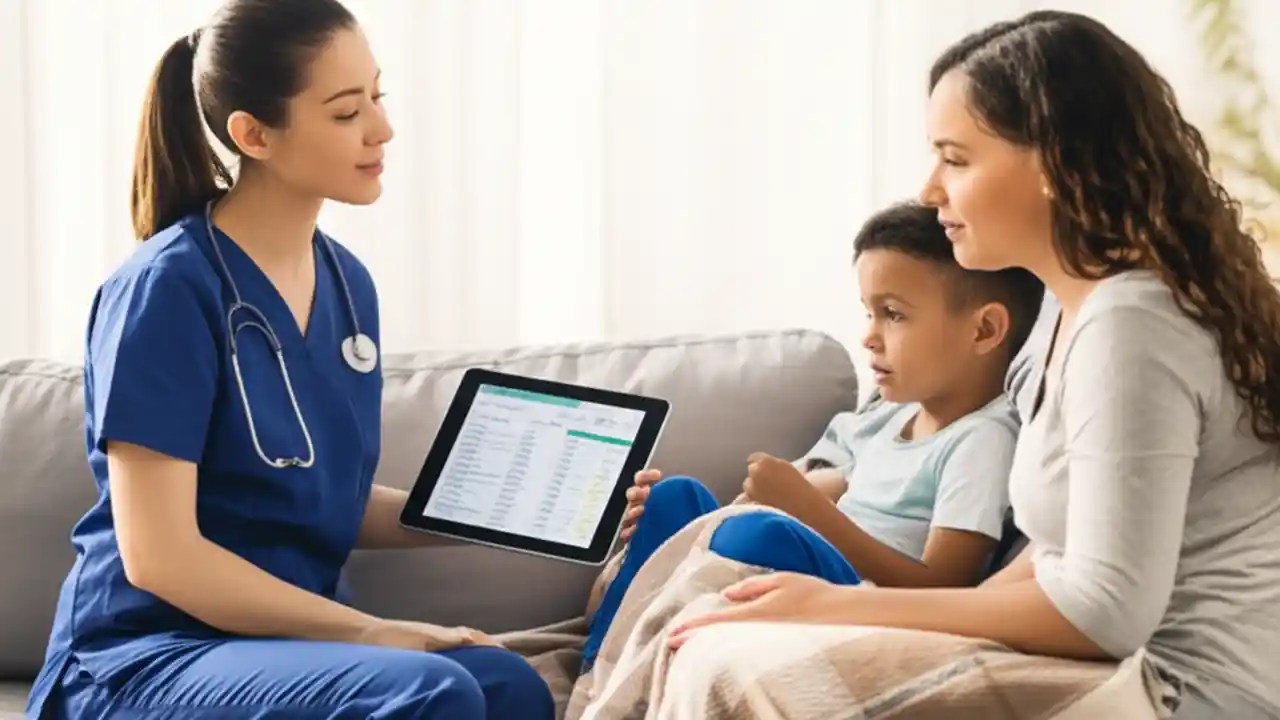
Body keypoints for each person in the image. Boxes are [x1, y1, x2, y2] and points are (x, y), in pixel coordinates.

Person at [664, 10, 1280, 718]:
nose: (931, 189)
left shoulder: (1133, 325)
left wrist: (838, 605)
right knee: (724, 642)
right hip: (1116, 667)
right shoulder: (1064, 313)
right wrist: (861, 613)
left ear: (1056, 163)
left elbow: (1107, 611)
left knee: (740, 670)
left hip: (1178, 693)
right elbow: (1055, 559)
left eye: (955, 159)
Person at [25, 1, 554, 718]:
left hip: (286, 647)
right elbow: (160, 557)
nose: (382, 128)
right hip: (146, 656)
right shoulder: (167, 289)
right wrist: (370, 631)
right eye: (345, 112)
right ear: (253, 134)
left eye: (378, 95)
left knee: (509, 685)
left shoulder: (345, 282)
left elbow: (314, 491)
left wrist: (528, 509)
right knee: (435, 691)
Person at [580, 200, 1045, 670]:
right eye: (868, 312)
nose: (869, 337)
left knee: (758, 533)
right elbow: (829, 489)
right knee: (676, 496)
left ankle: (656, 625)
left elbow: (946, 585)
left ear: (984, 330)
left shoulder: (982, 441)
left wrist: (807, 511)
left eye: (894, 314)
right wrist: (729, 510)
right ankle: (604, 659)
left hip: (855, 594)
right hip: (813, 555)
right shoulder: (891, 419)